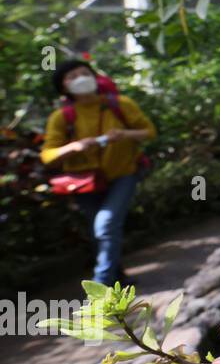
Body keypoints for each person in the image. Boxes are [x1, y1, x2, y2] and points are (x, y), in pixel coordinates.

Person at [40, 60, 156, 286]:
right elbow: (47, 155)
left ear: (96, 78)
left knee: (105, 224)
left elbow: (149, 132)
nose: (81, 78)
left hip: (124, 174)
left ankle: (100, 289)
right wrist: (74, 147)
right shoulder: (62, 117)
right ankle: (118, 278)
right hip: (86, 183)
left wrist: (124, 134)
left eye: (85, 73)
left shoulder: (120, 104)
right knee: (100, 232)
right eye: (72, 76)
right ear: (64, 87)